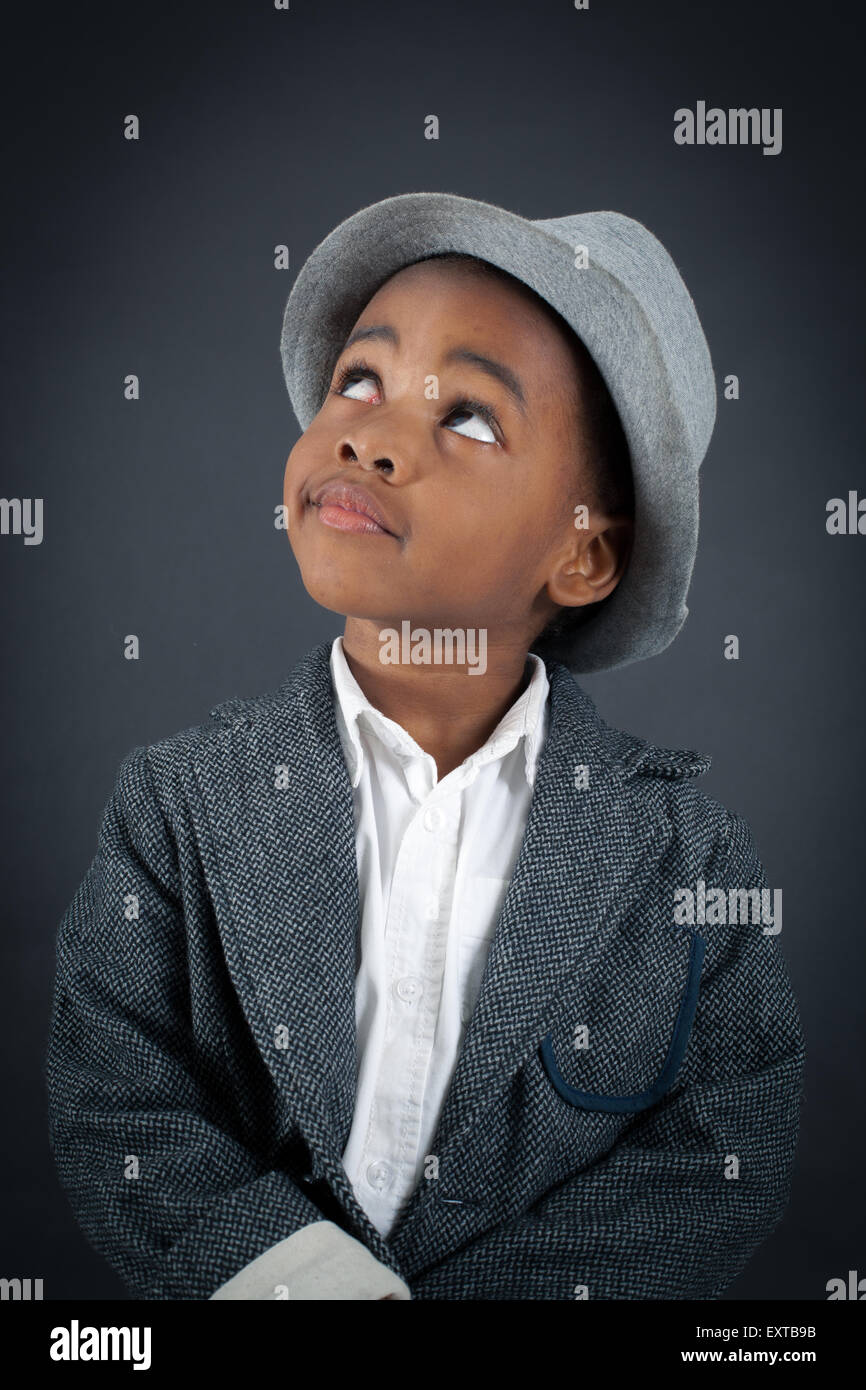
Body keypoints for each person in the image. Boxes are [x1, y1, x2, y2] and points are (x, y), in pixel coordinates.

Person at [45, 192, 804, 1300]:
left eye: (470, 418)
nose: (371, 431)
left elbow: (719, 1144)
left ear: (583, 557)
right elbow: (117, 1088)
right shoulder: (178, 805)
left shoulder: (682, 858)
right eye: (361, 380)